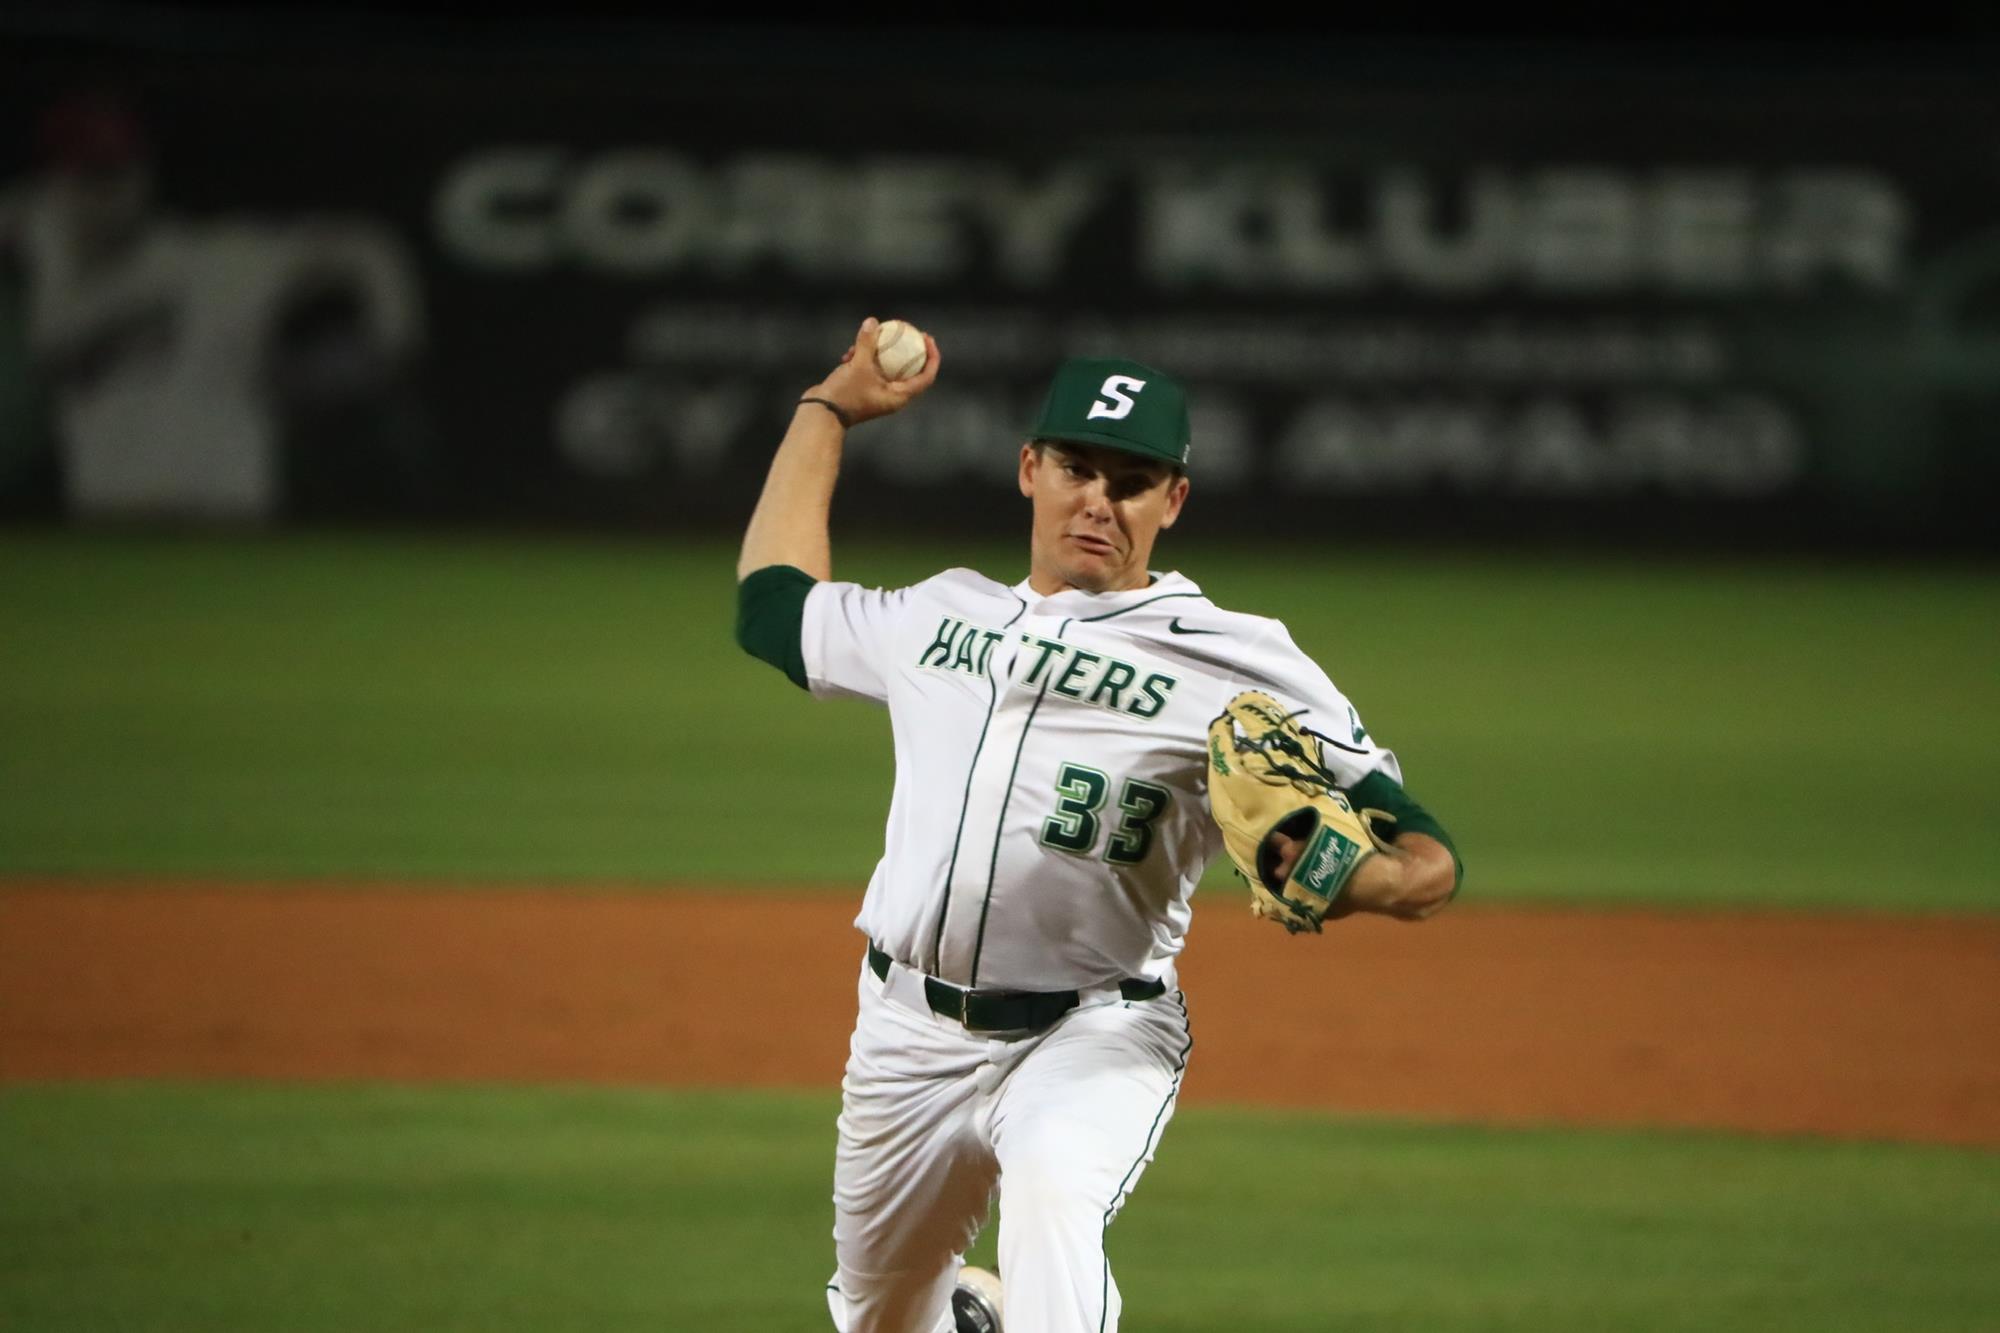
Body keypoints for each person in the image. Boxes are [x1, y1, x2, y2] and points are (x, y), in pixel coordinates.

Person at [733, 317, 1462, 1333]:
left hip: (1095, 1028)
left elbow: (1425, 856)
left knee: (1050, 1207)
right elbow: (769, 608)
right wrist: (826, 410)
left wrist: (1368, 880)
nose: (1096, 499)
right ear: (1028, 468)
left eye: (1129, 480)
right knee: (876, 1317)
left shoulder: (1238, 660)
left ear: (1172, 500)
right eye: (1076, 466)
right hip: (905, 1030)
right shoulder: (941, 617)